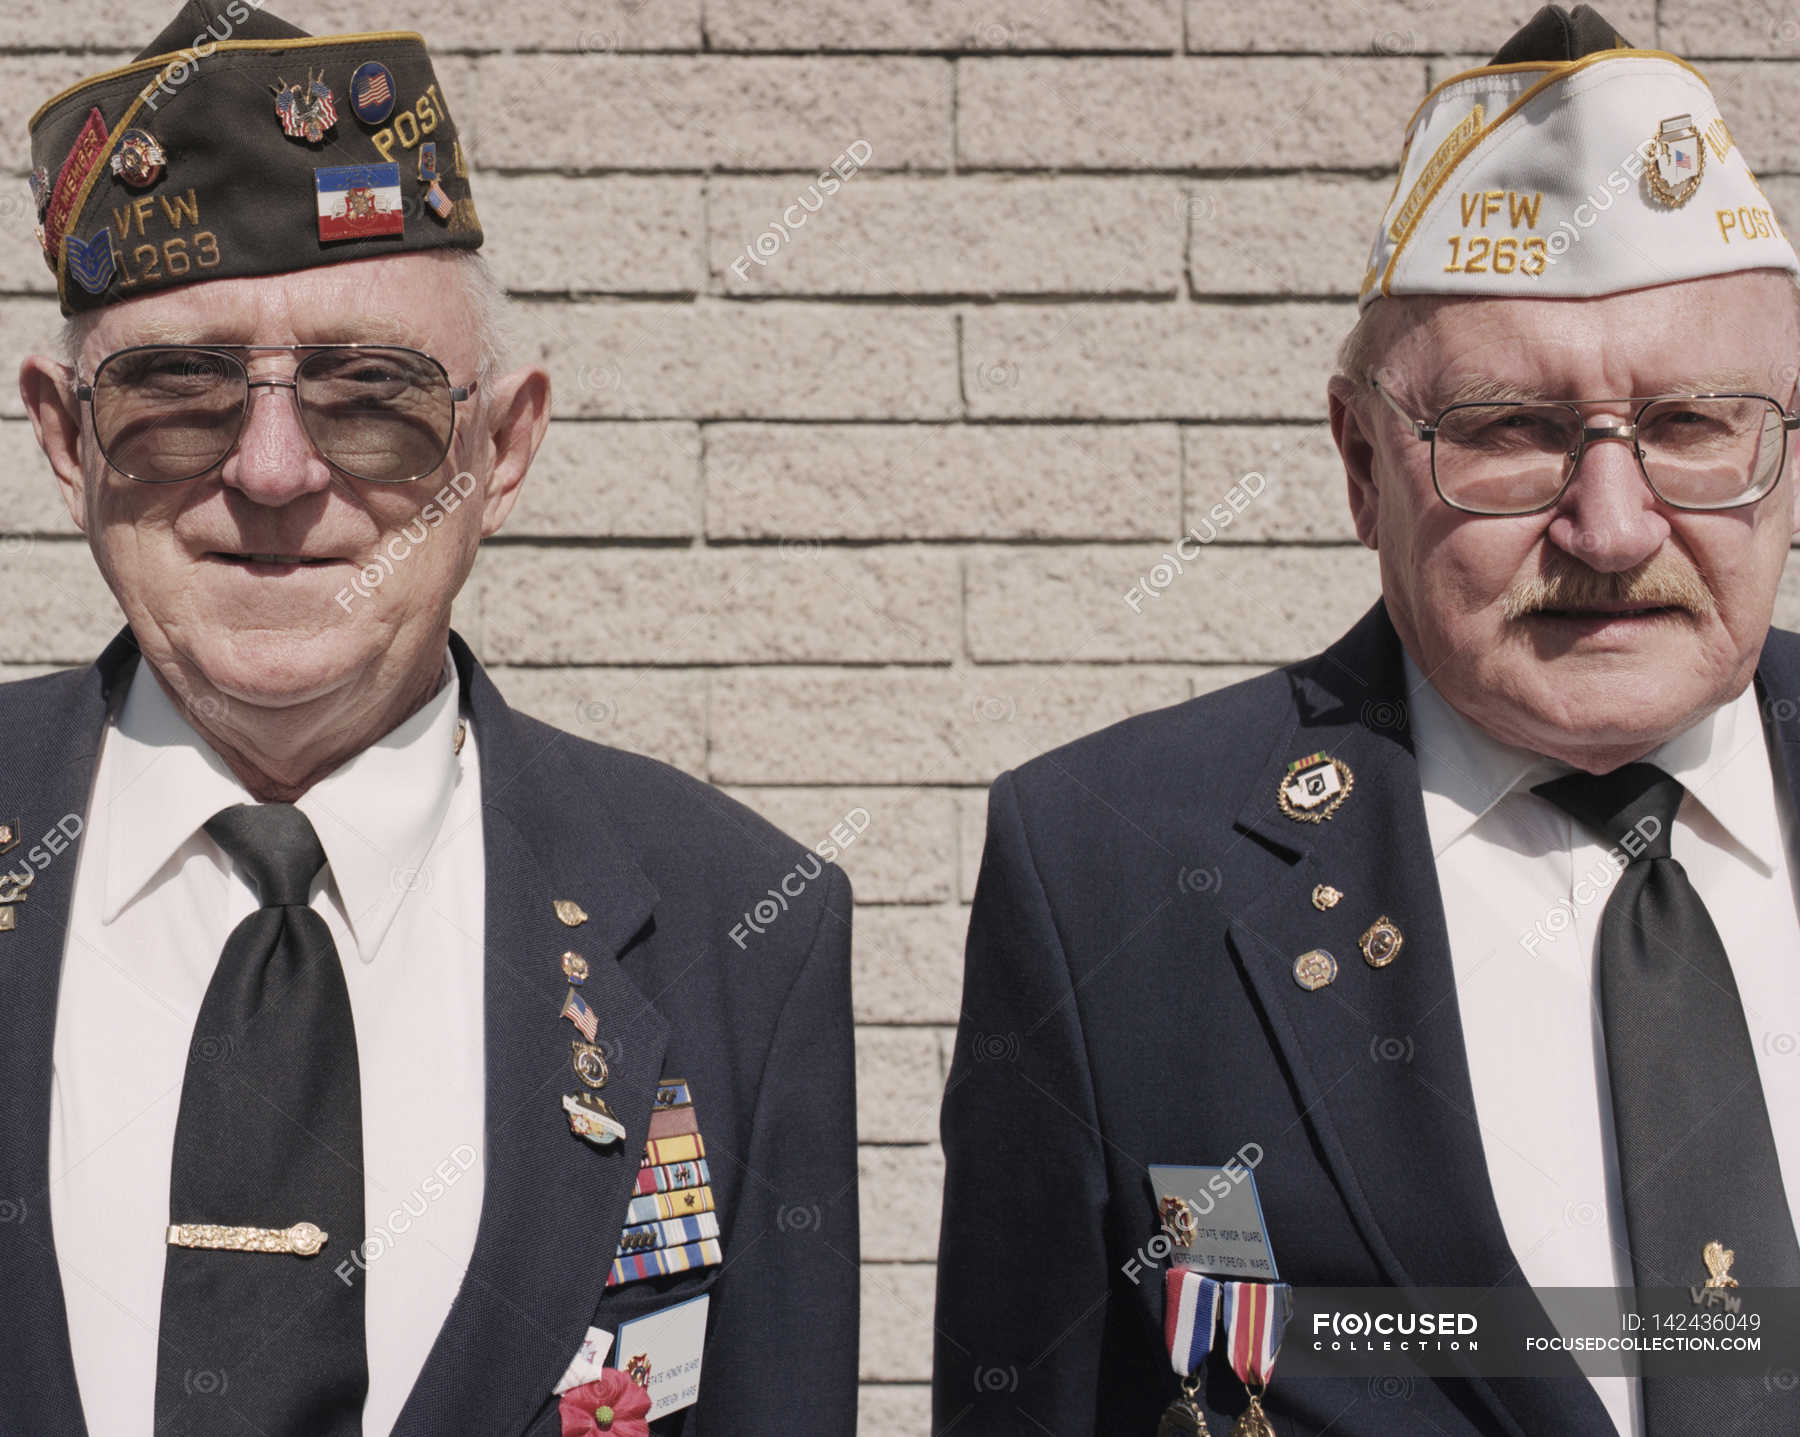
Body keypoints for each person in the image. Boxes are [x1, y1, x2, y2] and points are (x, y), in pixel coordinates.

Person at [935, 6, 1800, 1435]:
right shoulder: (1107, 875)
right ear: (1359, 461)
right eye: (1512, 430)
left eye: (1695, 423)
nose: (1611, 520)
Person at [0, 4, 857, 1434]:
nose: (274, 472)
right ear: (65, 436)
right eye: (177, 390)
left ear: (501, 448)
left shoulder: (739, 928)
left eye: (371, 395)